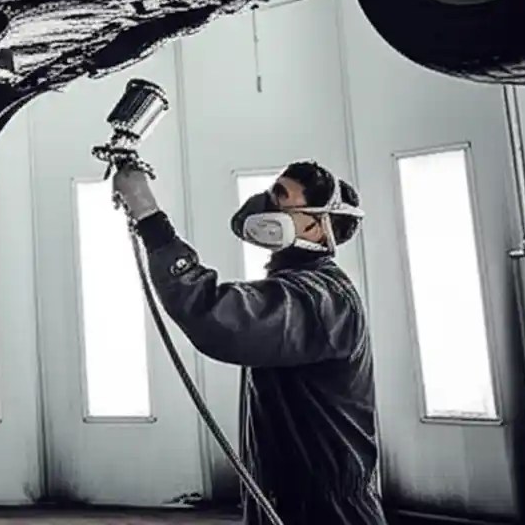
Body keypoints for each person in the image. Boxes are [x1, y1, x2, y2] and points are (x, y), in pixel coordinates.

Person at [112, 160, 385, 525]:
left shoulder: (322, 299)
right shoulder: (298, 284)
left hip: (327, 512)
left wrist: (150, 217)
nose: (265, 202)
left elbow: (216, 315)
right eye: (271, 190)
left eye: (281, 196)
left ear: (317, 227)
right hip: (287, 500)